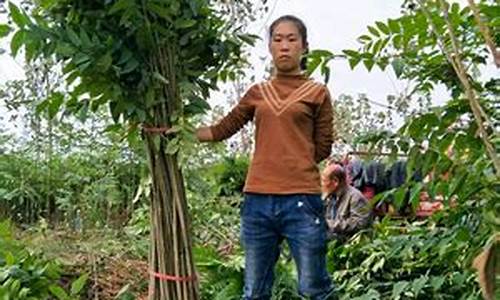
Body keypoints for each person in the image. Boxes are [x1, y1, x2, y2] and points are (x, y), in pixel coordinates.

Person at [195, 15, 335, 300]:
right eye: (278, 39)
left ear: (304, 47)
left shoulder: (317, 92)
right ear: (270, 47)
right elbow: (223, 128)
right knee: (255, 291)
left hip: (302, 201)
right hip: (257, 202)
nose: (284, 46)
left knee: (313, 288)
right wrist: (179, 133)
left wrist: (295, 162)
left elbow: (323, 147)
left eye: (292, 39)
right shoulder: (258, 92)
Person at [321, 162, 372, 242]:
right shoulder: (329, 196)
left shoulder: (355, 197)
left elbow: (360, 224)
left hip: (349, 242)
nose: (322, 184)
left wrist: (329, 224)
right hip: (333, 237)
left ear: (335, 181)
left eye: (324, 181)